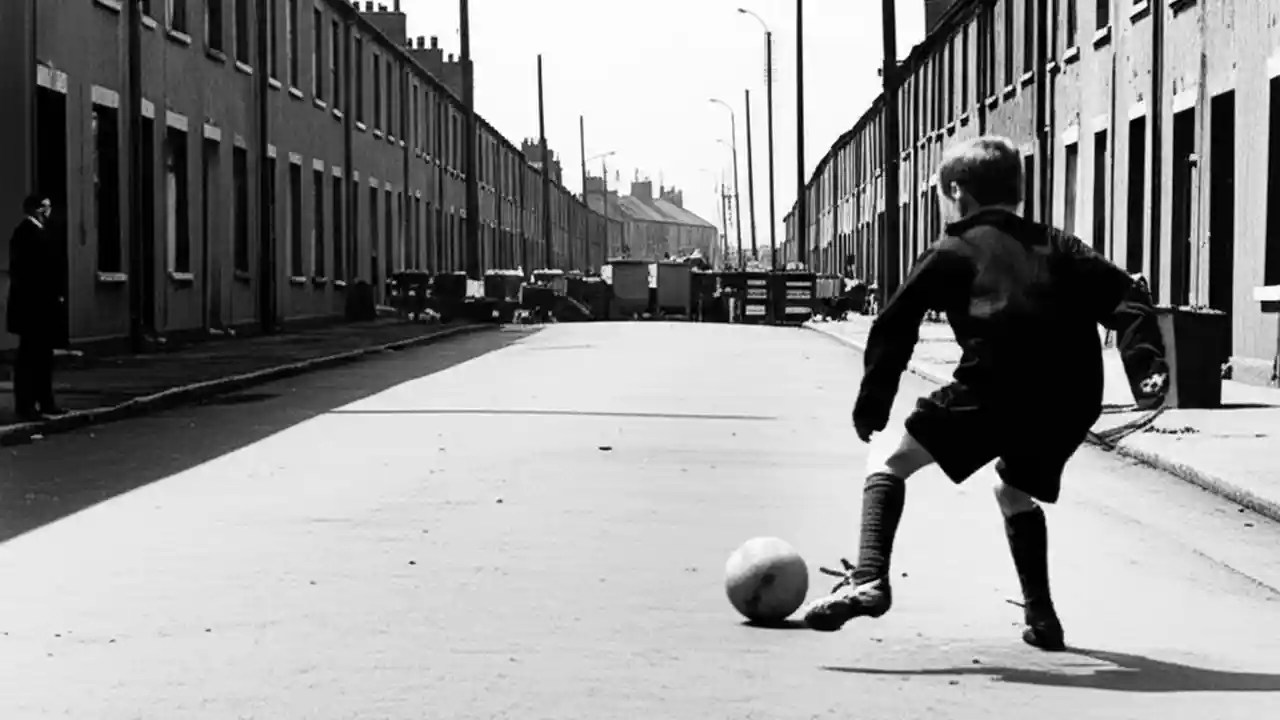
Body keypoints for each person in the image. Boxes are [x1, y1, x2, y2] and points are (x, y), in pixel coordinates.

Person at [800, 136, 1169, 651]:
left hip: (996, 386)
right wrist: (1147, 372)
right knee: (1013, 490)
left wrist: (874, 401)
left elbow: (895, 324)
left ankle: (868, 579)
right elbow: (1128, 296)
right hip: (1070, 398)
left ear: (958, 192)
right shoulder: (1058, 244)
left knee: (887, 460)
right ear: (1017, 192)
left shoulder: (952, 249)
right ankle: (1042, 618)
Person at [6, 194, 65, 421]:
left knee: (42, 356)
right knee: (30, 357)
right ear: (38, 209)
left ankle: (45, 402)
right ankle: (26, 405)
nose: (49, 212)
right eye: (47, 207)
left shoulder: (41, 232)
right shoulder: (25, 233)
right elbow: (27, 272)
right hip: (32, 307)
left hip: (42, 306)